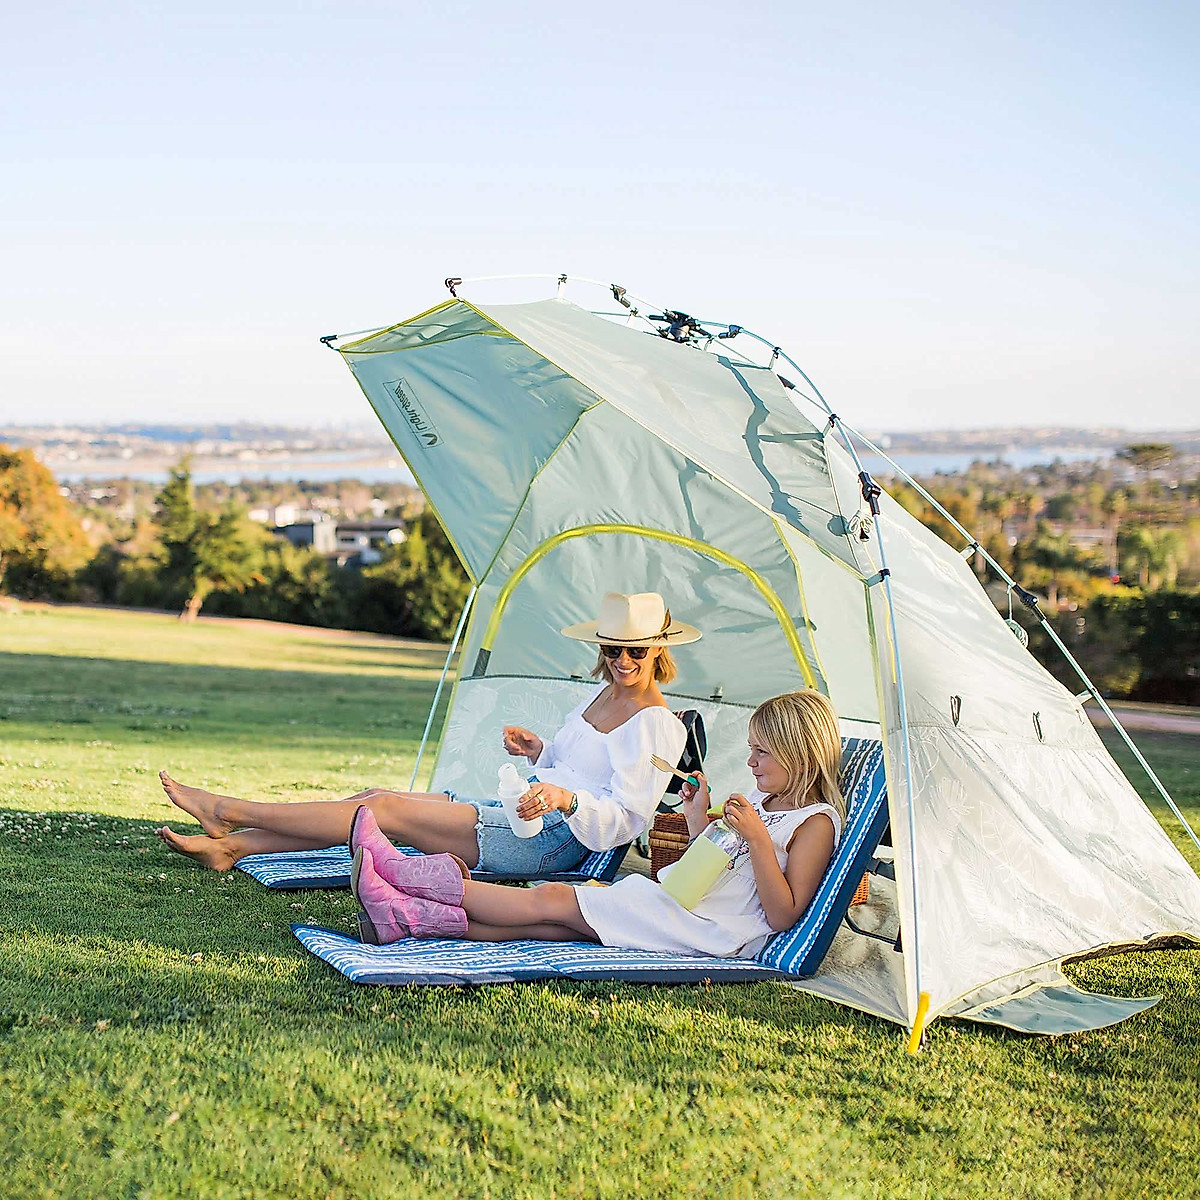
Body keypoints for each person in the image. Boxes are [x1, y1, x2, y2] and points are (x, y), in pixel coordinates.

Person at [155, 592, 700, 878]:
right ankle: (232, 847)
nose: (623, 660)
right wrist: (541, 752)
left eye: (636, 650)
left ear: (659, 649)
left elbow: (625, 819)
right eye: (612, 649)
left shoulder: (656, 723)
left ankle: (229, 811)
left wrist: (565, 798)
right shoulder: (599, 694)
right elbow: (569, 763)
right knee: (370, 799)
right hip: (519, 812)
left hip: (548, 843)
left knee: (385, 809)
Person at [350, 690, 847, 959]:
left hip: (713, 927)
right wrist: (699, 819)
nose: (752, 761)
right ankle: (403, 919)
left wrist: (758, 840)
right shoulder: (769, 802)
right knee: (549, 927)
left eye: (762, 751)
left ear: (798, 753)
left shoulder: (814, 823)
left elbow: (783, 915)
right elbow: (719, 868)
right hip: (688, 905)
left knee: (551, 899)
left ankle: (401, 875)